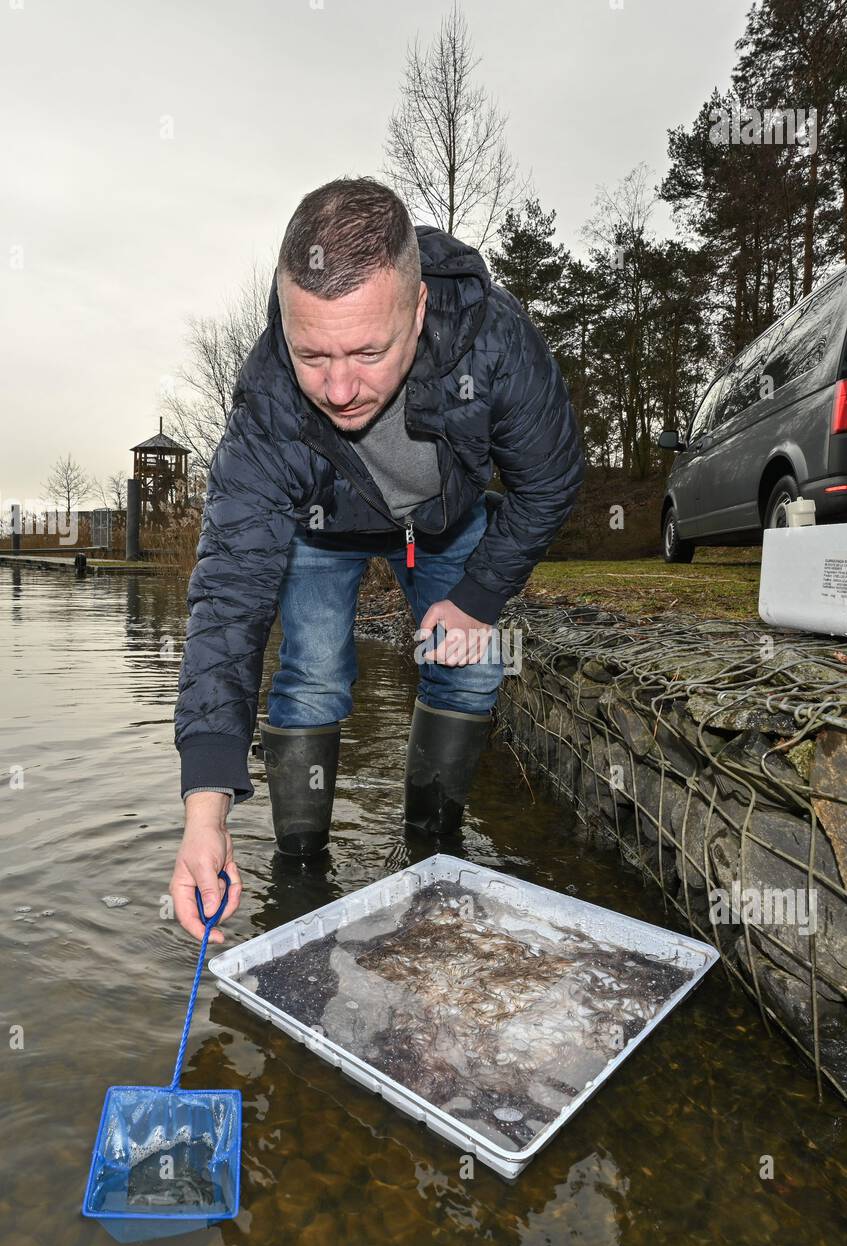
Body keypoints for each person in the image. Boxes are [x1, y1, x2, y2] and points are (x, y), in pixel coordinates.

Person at [169, 177, 584, 941]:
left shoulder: (495, 342)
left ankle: (434, 846)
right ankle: (299, 871)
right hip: (322, 530)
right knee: (313, 671)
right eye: (312, 354)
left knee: (468, 662)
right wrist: (206, 808)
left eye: (367, 350)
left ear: (418, 308)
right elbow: (228, 595)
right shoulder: (268, 403)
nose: (337, 388)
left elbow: (549, 483)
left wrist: (478, 599)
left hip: (443, 523)